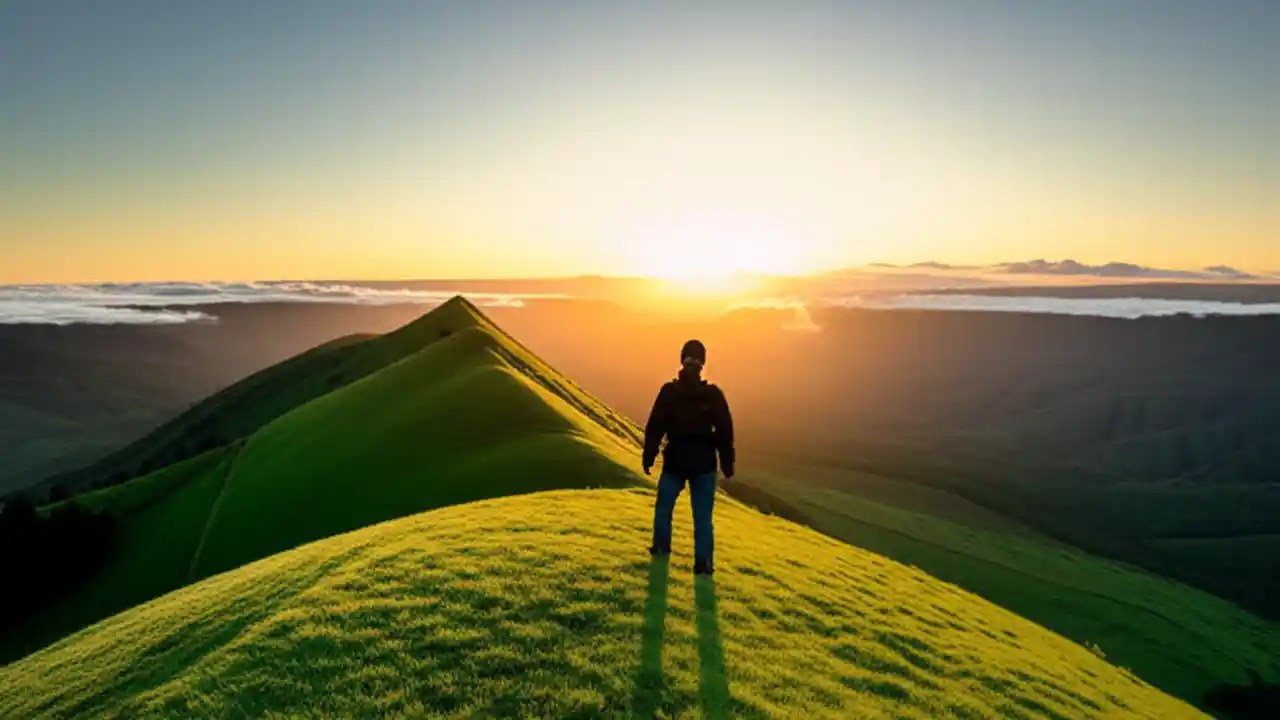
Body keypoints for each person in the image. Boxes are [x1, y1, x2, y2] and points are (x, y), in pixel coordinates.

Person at [643, 339, 735, 575]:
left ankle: (661, 551)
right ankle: (703, 565)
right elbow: (725, 431)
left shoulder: (670, 392)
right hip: (703, 463)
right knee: (702, 518)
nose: (693, 364)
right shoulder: (712, 395)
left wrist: (650, 454)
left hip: (675, 462)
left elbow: (656, 425)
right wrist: (727, 463)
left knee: (664, 509)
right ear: (702, 364)